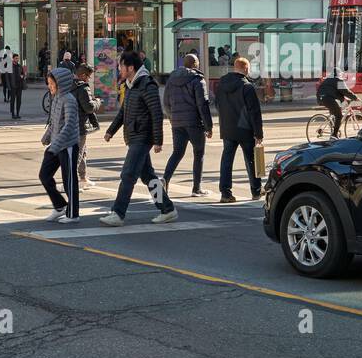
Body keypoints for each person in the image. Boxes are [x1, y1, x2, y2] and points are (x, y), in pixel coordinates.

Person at [100, 50, 176, 226]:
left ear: (131, 67)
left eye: (121, 66)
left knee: (128, 174)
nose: (119, 69)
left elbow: (156, 113)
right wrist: (111, 130)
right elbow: (123, 111)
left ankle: (118, 213)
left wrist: (158, 140)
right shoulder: (130, 85)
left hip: (142, 137)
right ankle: (167, 209)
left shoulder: (146, 85)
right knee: (148, 176)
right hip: (134, 136)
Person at [162, 53, 214, 195]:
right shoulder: (197, 80)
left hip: (177, 123)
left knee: (177, 153)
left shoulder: (171, 79)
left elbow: (166, 103)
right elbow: (202, 104)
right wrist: (209, 126)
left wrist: (172, 118)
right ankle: (196, 188)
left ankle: (165, 180)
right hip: (194, 123)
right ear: (194, 64)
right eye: (197, 62)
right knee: (199, 153)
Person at [215, 56, 263, 203]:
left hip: (227, 128)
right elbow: (254, 111)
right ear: (246, 69)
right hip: (245, 129)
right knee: (250, 160)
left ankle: (225, 192)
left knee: (227, 160)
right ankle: (256, 191)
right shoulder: (247, 87)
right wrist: (258, 133)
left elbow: (217, 105)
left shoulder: (222, 84)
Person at [39, 68, 81, 224]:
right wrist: (47, 137)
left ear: (60, 83)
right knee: (44, 175)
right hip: (56, 145)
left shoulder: (69, 99)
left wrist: (54, 145)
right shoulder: (56, 97)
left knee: (69, 180)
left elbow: (69, 125)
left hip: (68, 145)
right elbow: (54, 122)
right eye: (48, 83)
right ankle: (59, 206)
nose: (49, 86)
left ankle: (73, 214)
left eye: (51, 83)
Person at [70, 63, 100, 182]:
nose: (89, 79)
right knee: (79, 153)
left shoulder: (68, 85)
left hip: (70, 123)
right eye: (88, 76)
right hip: (80, 125)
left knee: (82, 151)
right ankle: (71, 180)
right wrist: (97, 101)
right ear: (83, 75)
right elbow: (89, 107)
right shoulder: (82, 88)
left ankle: (82, 177)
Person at [316, 71, 360, 140]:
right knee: (339, 115)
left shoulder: (328, 80)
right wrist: (355, 98)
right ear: (339, 74)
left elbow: (335, 92)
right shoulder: (338, 80)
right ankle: (334, 135)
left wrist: (343, 99)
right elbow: (346, 91)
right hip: (328, 98)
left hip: (321, 98)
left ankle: (332, 127)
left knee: (335, 110)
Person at [8, 52, 26, 120]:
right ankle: (13, 113)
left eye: (18, 58)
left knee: (19, 100)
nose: (17, 59)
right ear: (13, 59)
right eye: (16, 58)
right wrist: (8, 86)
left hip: (19, 86)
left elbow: (23, 74)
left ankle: (18, 113)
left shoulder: (19, 66)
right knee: (12, 100)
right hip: (13, 86)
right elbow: (7, 77)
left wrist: (23, 76)